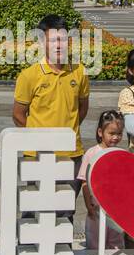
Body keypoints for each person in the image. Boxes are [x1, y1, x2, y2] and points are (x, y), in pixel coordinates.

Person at [13, 14, 91, 223]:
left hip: (72, 153)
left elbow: (82, 109)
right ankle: (28, 252)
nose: (59, 45)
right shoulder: (29, 75)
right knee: (33, 209)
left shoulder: (80, 72)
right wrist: (39, 139)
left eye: (63, 39)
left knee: (66, 211)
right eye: (53, 40)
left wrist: (67, 132)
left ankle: (63, 253)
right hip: (37, 154)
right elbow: (18, 115)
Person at [78, 111, 127, 251]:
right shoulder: (91, 153)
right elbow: (84, 182)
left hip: (115, 211)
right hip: (96, 210)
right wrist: (89, 205)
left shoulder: (121, 154)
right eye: (111, 133)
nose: (116, 137)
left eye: (119, 133)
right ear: (100, 132)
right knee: (94, 245)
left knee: (116, 245)